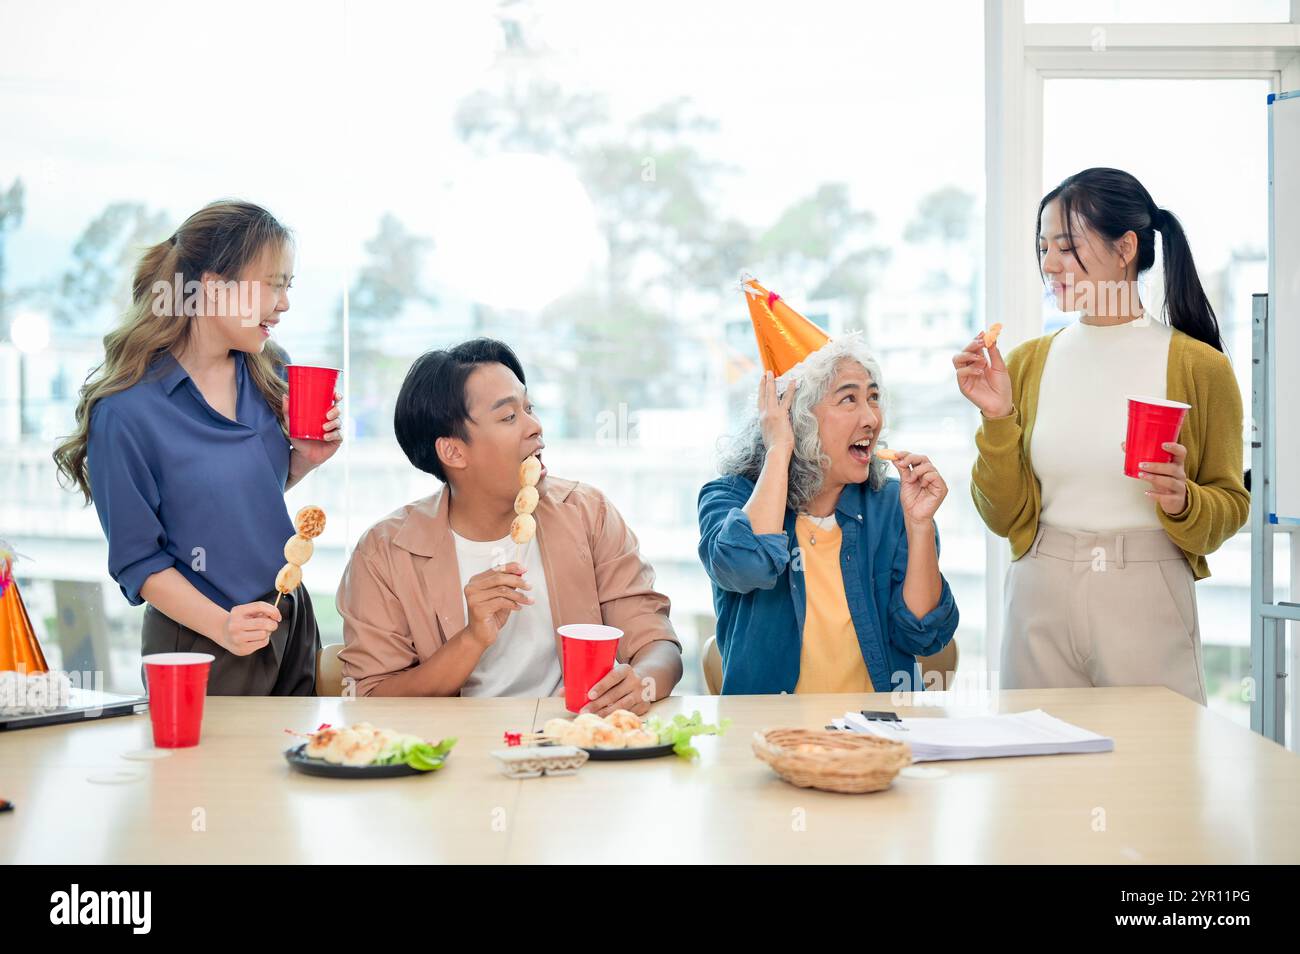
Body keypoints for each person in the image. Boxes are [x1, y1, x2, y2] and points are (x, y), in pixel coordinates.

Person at [956, 167, 1248, 704]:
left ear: (1126, 248)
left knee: (1155, 774)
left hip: (1147, 590)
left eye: (1067, 247)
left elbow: (1229, 506)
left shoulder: (1199, 367)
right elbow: (1001, 516)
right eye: (1043, 247)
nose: (1048, 263)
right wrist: (997, 419)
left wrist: (1185, 500)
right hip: (1039, 589)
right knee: (1036, 775)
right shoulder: (1025, 364)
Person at [54, 200, 342, 694]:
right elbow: (138, 561)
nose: (285, 303)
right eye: (273, 284)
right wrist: (223, 627)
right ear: (212, 287)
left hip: (286, 622)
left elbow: (238, 497)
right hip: (198, 645)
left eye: (287, 286)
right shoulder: (125, 411)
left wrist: (303, 461)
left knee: (300, 768)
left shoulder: (269, 371)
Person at [336, 338, 682, 714]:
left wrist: (642, 683)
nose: (536, 427)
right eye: (508, 417)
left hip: (578, 740)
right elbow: (369, 698)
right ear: (453, 451)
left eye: (529, 408)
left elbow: (658, 644)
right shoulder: (385, 551)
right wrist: (472, 638)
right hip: (454, 756)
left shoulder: (588, 513)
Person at [698, 284, 959, 694]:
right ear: (798, 417)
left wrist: (920, 526)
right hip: (773, 736)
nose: (871, 417)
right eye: (848, 400)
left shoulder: (892, 505)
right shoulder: (729, 498)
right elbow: (746, 567)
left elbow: (922, 637)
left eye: (873, 398)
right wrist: (779, 448)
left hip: (879, 733)